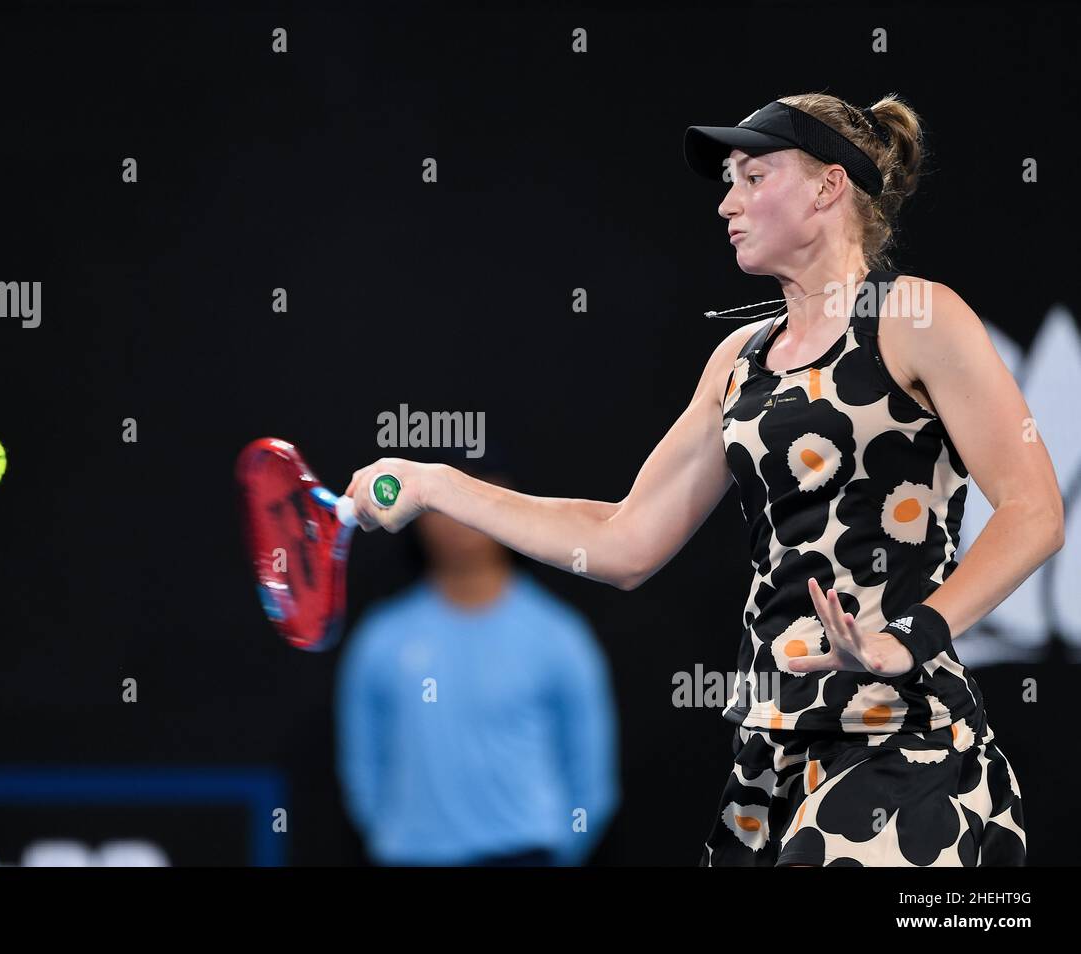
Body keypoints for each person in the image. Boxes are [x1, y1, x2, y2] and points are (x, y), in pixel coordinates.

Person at [340, 93, 1066, 866]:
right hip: (774, 752)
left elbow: (1034, 510)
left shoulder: (916, 316)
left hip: (906, 742)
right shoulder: (739, 361)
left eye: (755, 176)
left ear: (828, 187)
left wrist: (907, 636)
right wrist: (434, 483)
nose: (727, 202)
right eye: (728, 180)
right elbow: (621, 542)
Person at [335, 458, 620, 866]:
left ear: (504, 501)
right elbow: (362, 768)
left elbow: (592, 781)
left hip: (524, 856)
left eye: (469, 493)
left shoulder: (559, 635)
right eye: (438, 500)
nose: (454, 516)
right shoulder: (381, 638)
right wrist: (399, 837)